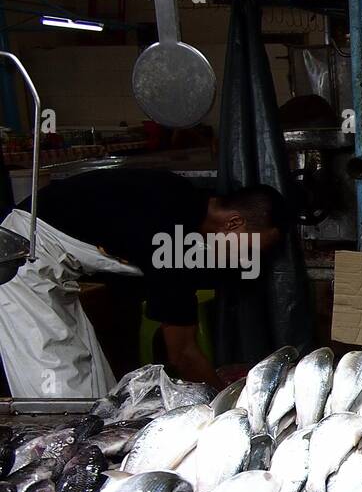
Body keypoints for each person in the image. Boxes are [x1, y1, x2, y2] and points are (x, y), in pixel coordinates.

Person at [0, 169, 288, 396]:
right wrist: (229, 409)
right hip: (22, 261)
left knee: (98, 393)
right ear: (234, 223)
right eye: (249, 249)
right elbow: (183, 354)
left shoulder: (185, 203)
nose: (243, 259)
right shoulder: (173, 238)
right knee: (59, 393)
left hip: (56, 269)